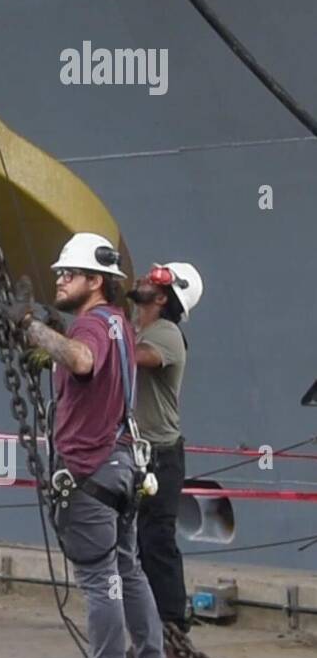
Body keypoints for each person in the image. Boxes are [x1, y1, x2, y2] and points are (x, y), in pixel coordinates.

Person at [0, 232, 164, 658]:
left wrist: (28, 326)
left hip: (91, 472)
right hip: (124, 466)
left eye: (69, 274)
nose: (59, 280)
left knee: (99, 580)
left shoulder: (90, 325)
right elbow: (86, 366)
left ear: (96, 281)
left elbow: (83, 360)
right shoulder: (119, 324)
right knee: (128, 571)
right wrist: (50, 344)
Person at [129, 261, 203, 636]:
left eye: (151, 280)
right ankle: (149, 636)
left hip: (160, 456)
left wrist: (92, 334)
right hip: (135, 454)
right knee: (135, 545)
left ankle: (174, 629)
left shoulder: (166, 334)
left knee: (157, 542)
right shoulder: (137, 327)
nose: (140, 279)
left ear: (162, 296)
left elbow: (133, 358)